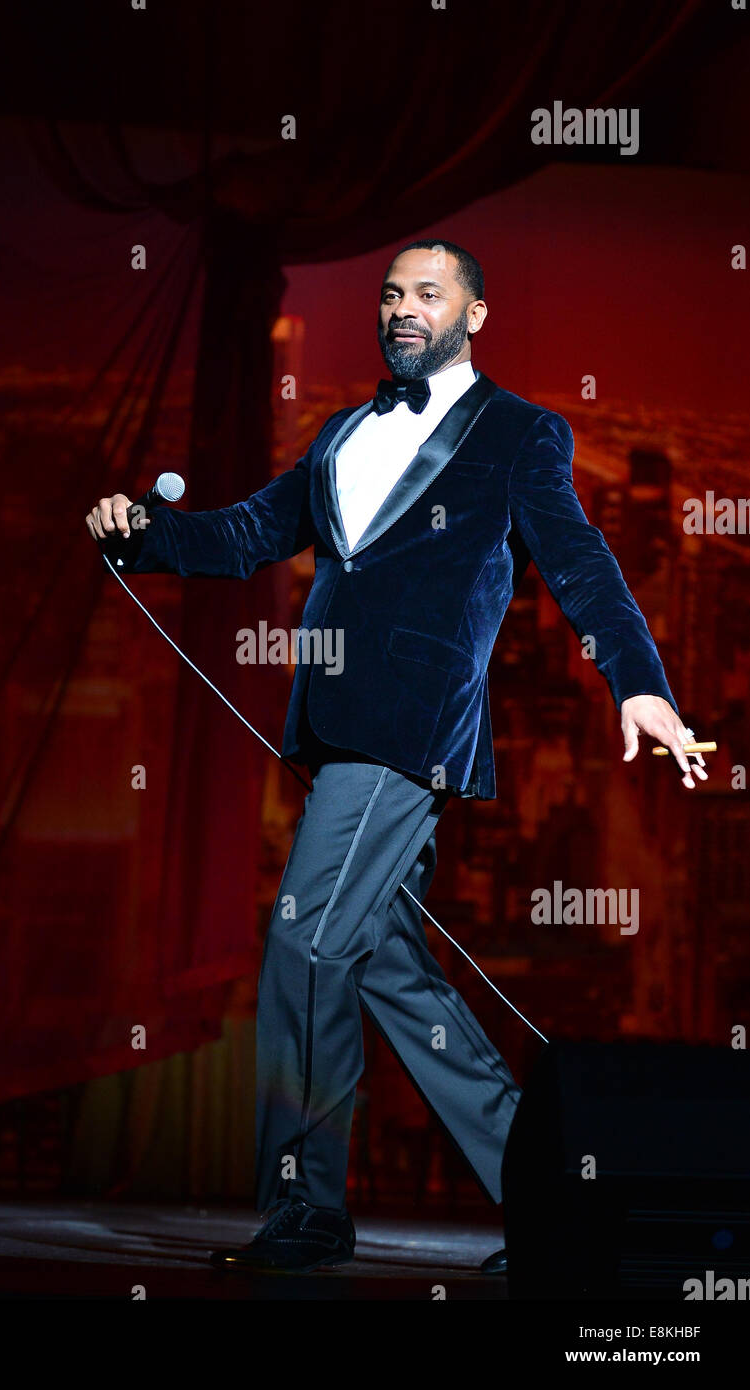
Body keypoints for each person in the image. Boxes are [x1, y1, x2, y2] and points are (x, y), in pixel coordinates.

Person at [86, 239, 706, 1275]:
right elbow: (244, 534)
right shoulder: (341, 433)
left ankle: (307, 1211)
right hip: (335, 729)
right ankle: (560, 1212)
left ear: (475, 315)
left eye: (429, 293)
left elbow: (581, 564)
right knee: (386, 971)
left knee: (304, 940)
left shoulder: (520, 433)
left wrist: (640, 683)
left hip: (409, 736)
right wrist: (142, 530)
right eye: (390, 293)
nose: (402, 309)